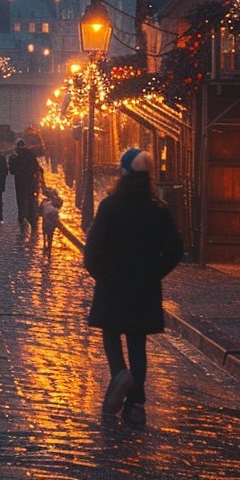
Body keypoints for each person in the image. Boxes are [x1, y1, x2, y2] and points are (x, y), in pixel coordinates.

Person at [84, 148, 183, 427]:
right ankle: (136, 405)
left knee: (111, 336)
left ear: (123, 173)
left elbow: (93, 250)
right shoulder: (158, 209)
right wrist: (155, 272)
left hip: (114, 284)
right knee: (138, 343)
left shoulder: (110, 206)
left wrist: (102, 276)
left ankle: (120, 374)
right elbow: (176, 249)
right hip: (144, 287)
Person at [8, 139, 43, 233]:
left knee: (20, 197)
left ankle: (21, 215)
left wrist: (14, 171)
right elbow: (36, 165)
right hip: (29, 178)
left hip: (19, 179)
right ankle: (30, 215)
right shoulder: (30, 153)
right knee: (30, 197)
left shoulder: (15, 154)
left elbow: (11, 166)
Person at [39, 185, 63, 253]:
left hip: (48, 220)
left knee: (45, 232)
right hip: (52, 221)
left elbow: (39, 212)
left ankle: (46, 245)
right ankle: (48, 247)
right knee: (50, 234)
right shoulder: (56, 201)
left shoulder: (44, 202)